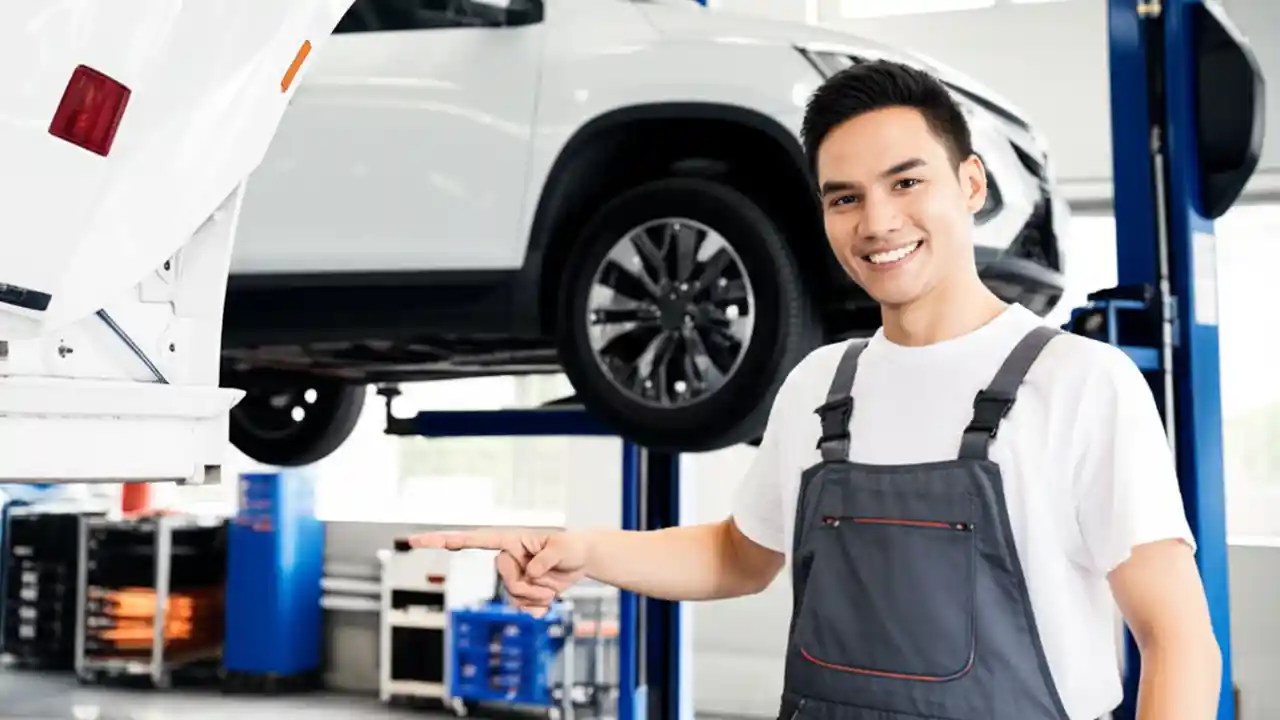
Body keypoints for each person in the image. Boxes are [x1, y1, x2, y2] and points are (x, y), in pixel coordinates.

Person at [408, 60, 1222, 719]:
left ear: (970, 184)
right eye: (845, 197)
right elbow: (737, 554)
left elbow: (1179, 638)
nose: (877, 222)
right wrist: (581, 550)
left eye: (907, 183)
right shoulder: (821, 387)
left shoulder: (1078, 382)